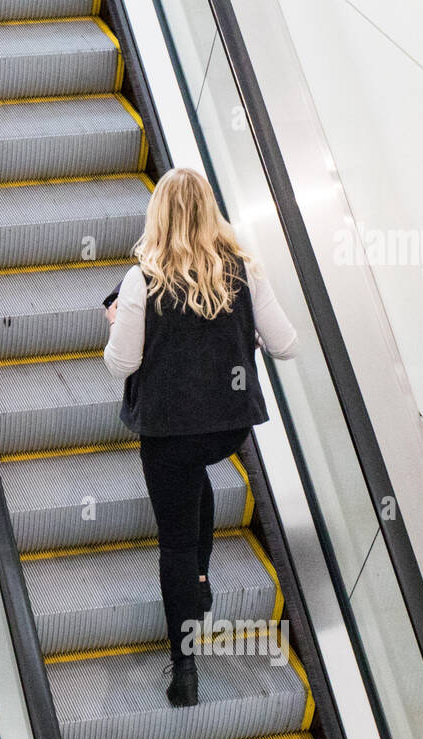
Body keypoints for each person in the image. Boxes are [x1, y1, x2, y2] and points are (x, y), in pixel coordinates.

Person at [103, 168, 298, 707]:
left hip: (169, 431)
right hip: (225, 428)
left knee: (176, 542)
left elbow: (122, 362)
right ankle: (205, 580)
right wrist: (245, 335)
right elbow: (288, 345)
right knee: (196, 483)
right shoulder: (243, 270)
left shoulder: (141, 280)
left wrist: (117, 319)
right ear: (210, 211)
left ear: (158, 215)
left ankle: (184, 668)